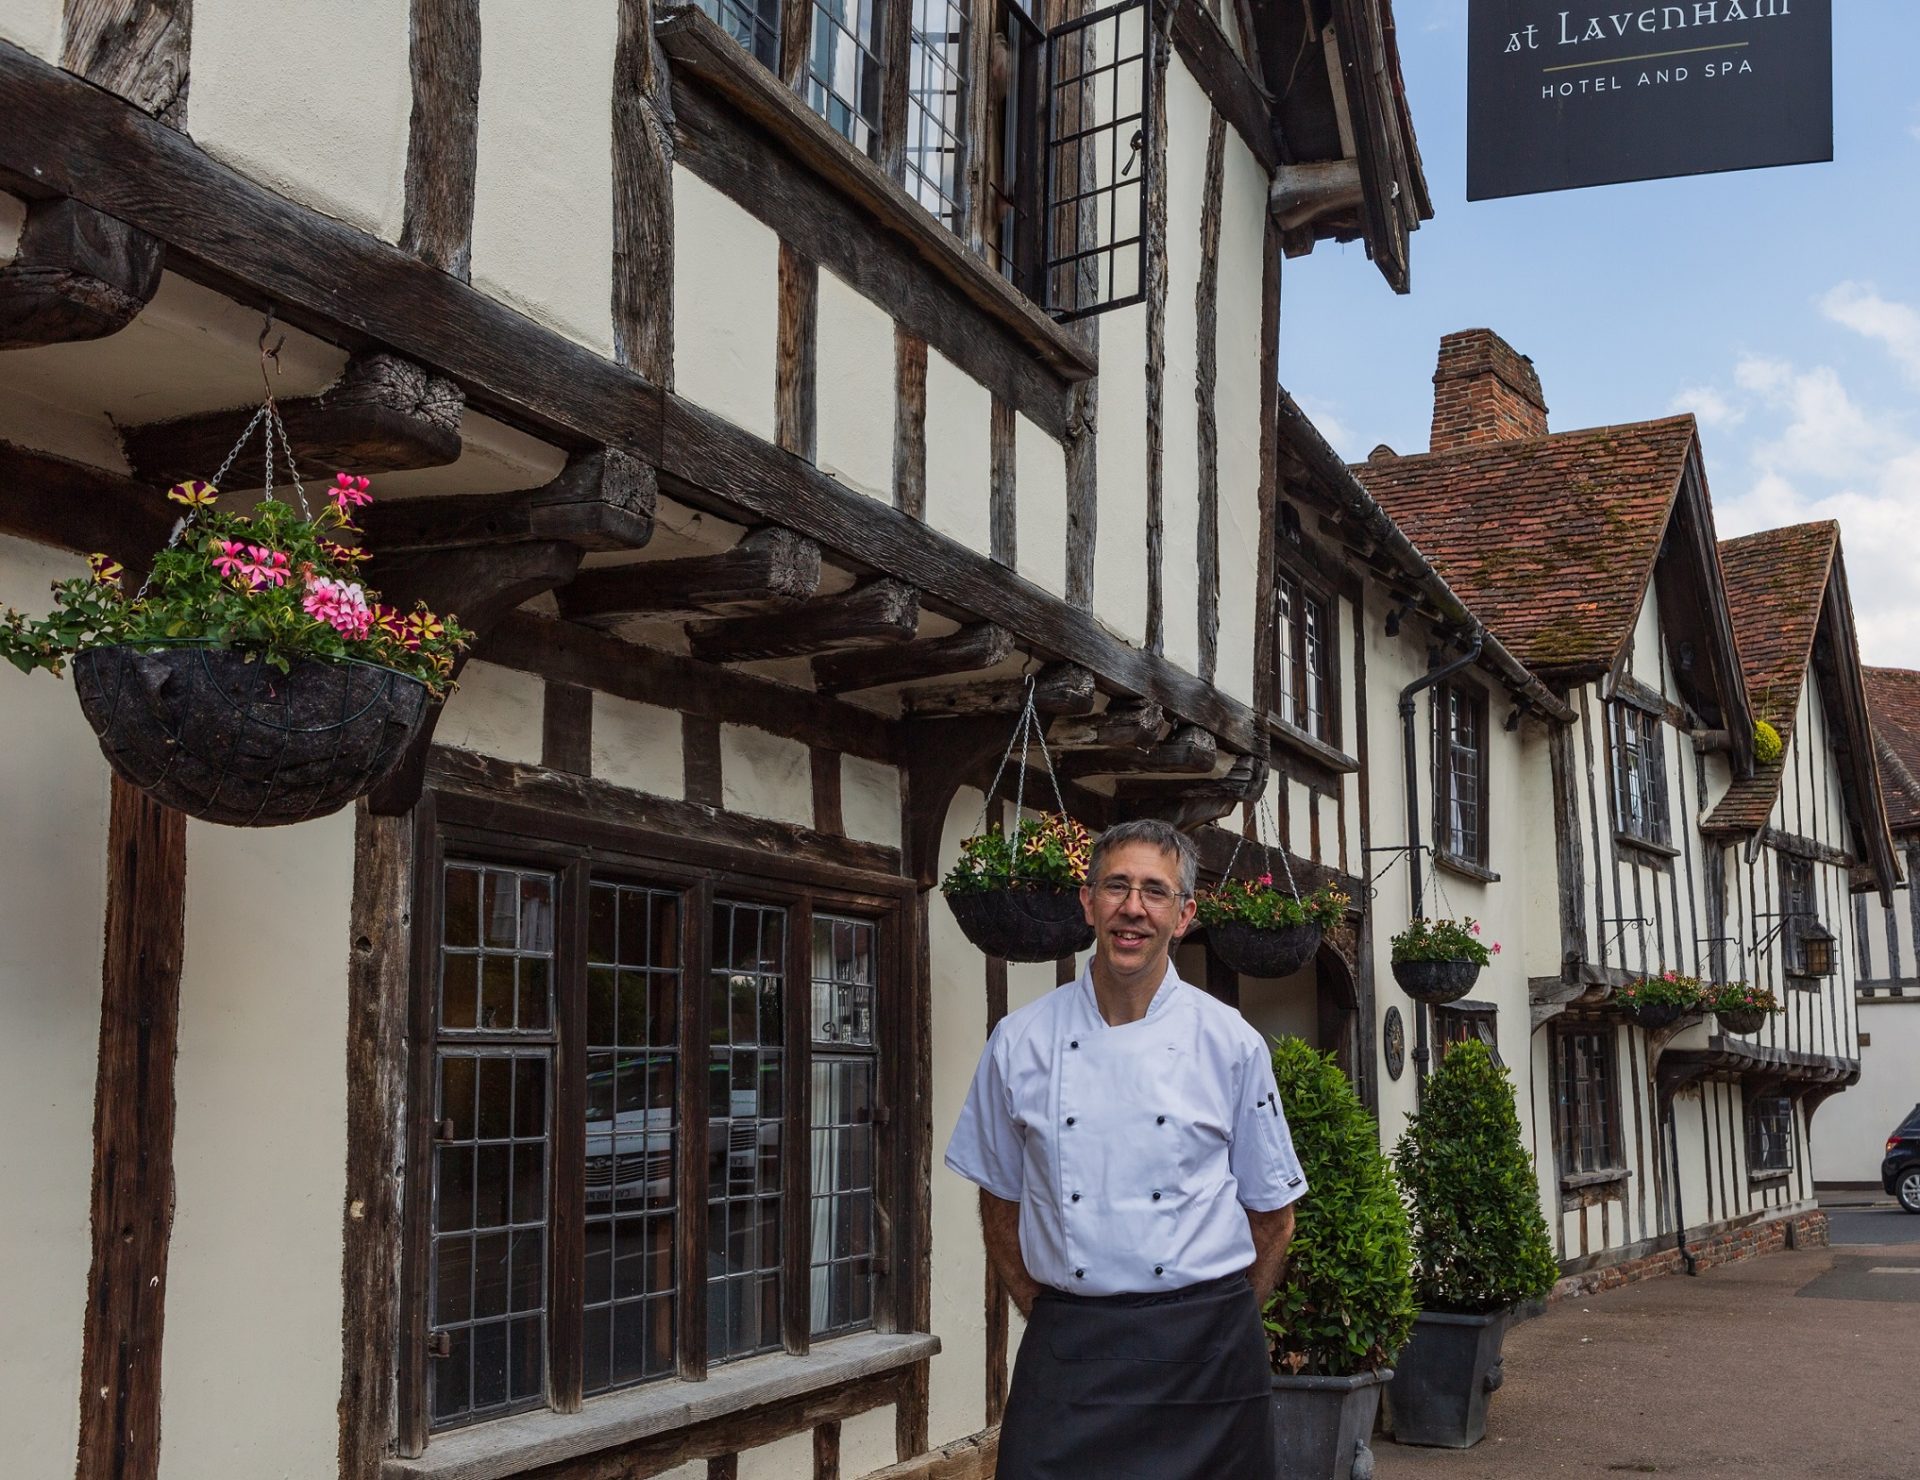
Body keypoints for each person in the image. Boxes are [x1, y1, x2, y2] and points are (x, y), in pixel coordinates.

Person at [945, 818, 1306, 1480]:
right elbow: (1000, 1199)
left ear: (1185, 914)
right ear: (1087, 903)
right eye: (1115, 886)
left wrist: (1218, 1323)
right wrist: (1054, 1312)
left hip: (1209, 1355)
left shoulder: (1231, 1043)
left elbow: (1273, 1215)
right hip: (1072, 1348)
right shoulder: (1020, 1041)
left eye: (1154, 891)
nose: (1132, 907)